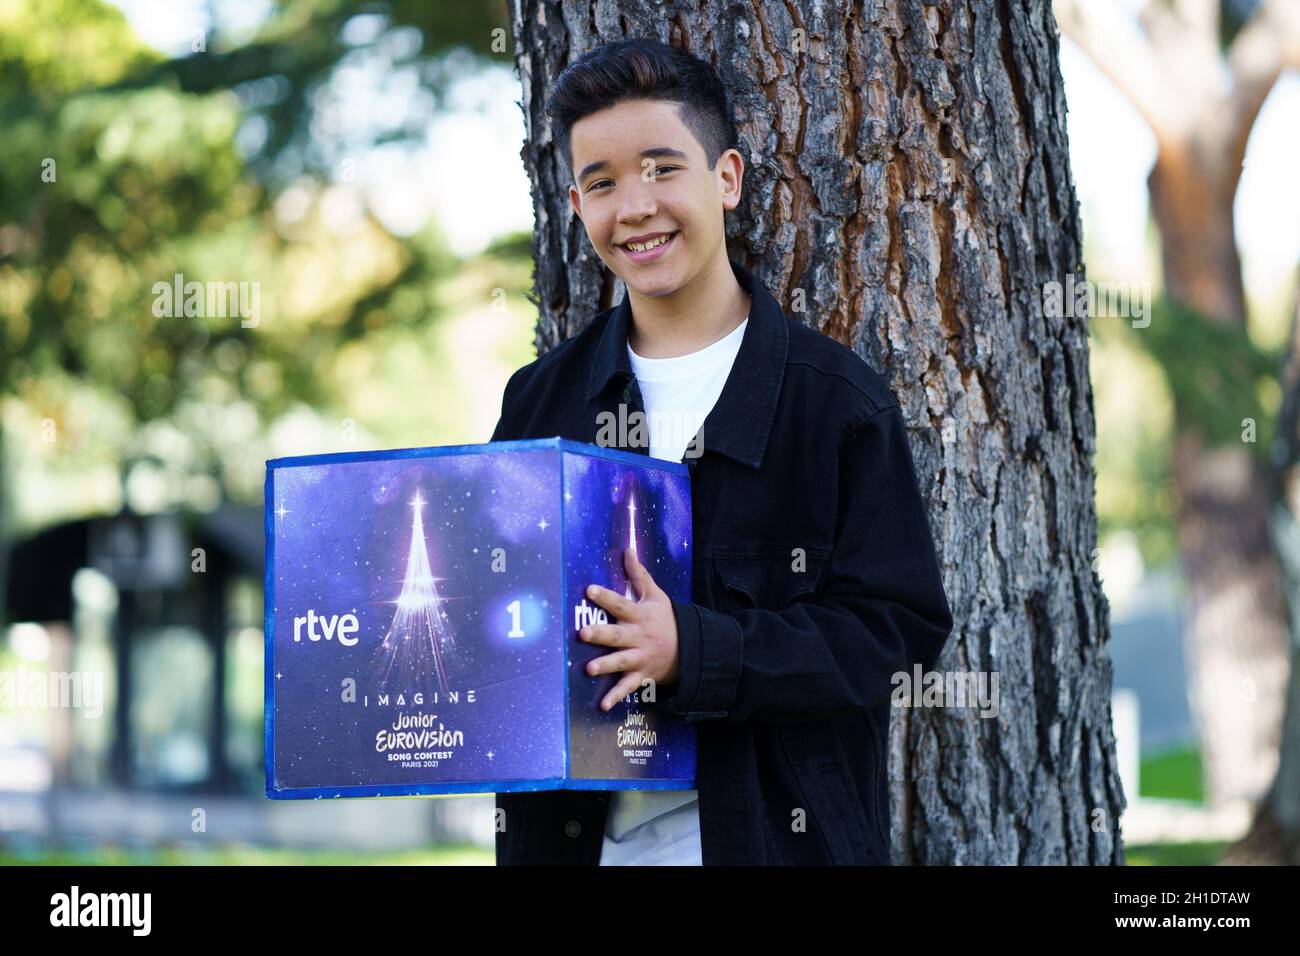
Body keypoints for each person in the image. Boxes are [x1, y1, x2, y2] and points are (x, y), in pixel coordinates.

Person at [490, 36, 953, 865]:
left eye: (663, 168)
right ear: (575, 205)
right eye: (602, 183)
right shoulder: (540, 402)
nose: (634, 206)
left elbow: (893, 632)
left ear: (727, 179)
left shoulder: (834, 404)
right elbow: (492, 606)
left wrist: (694, 653)